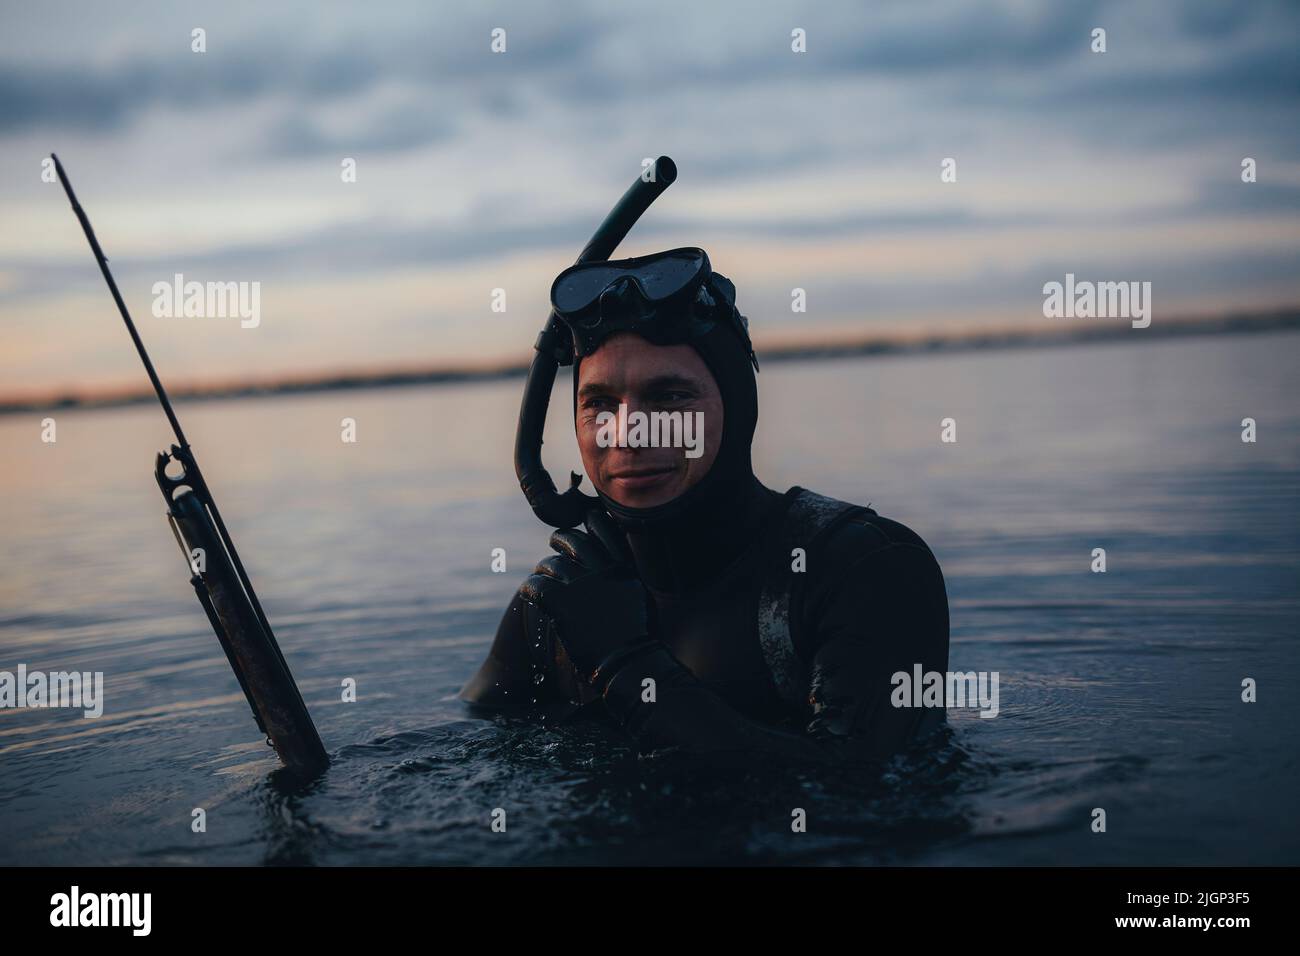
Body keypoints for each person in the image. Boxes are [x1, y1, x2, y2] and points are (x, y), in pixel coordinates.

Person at [460, 247, 949, 764]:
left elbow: (870, 794)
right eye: (600, 404)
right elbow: (472, 760)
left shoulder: (866, 569)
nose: (629, 434)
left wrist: (623, 660)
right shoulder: (568, 599)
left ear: (736, 411)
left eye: (670, 398)